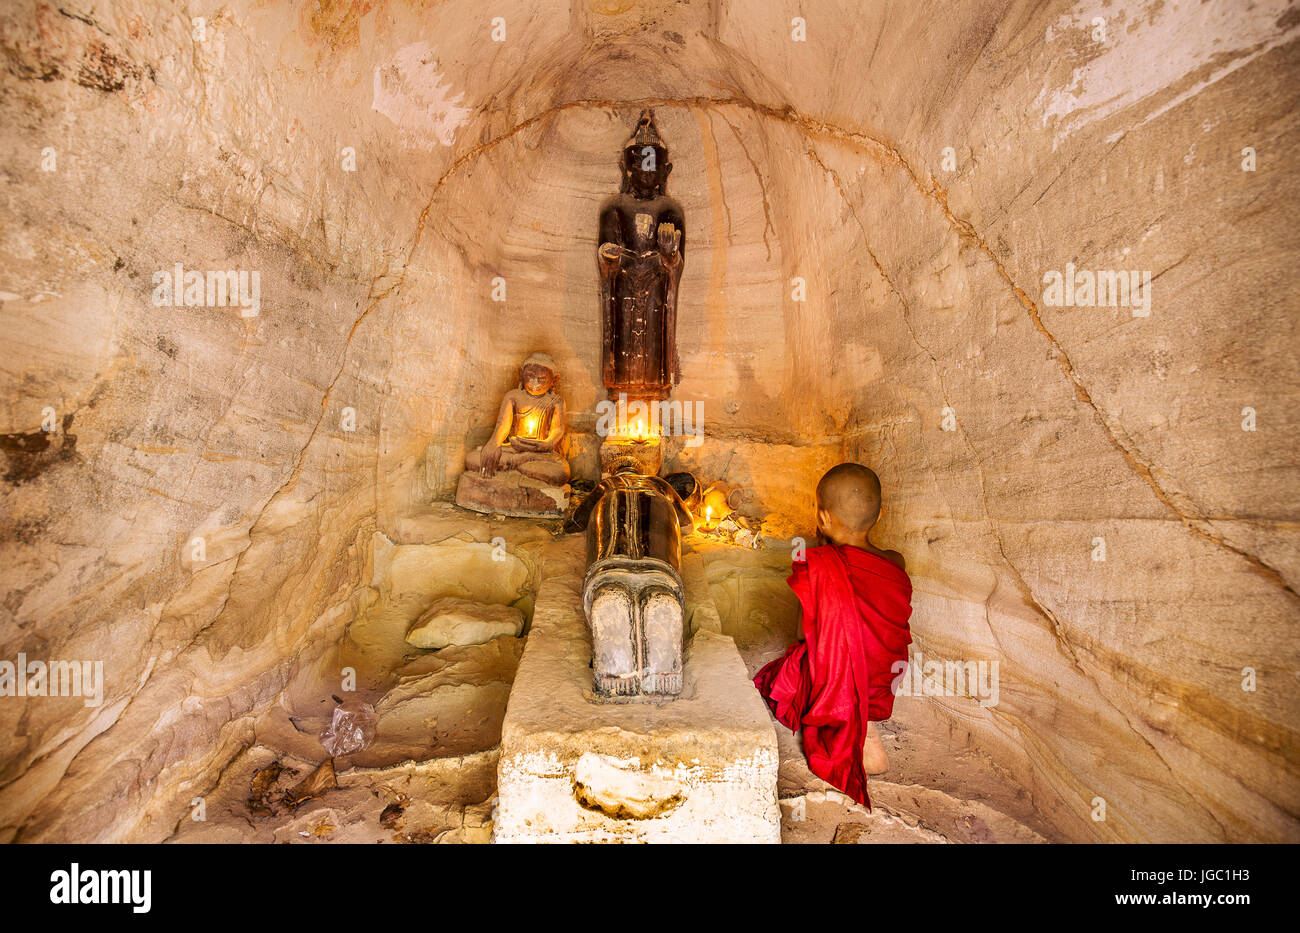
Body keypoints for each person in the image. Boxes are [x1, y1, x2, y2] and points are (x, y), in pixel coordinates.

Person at [753, 463, 913, 808]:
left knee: (787, 670)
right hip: (883, 680)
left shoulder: (819, 565)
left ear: (823, 517)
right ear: (880, 514)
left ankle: (851, 729)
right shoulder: (895, 562)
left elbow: (804, 635)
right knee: (859, 654)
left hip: (837, 686)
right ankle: (867, 729)